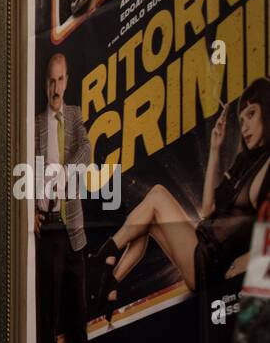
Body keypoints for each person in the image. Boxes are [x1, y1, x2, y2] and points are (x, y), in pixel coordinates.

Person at [94, 78, 270, 315]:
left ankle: (103, 257)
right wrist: (215, 149)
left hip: (209, 265)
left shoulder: (266, 167)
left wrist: (248, 259)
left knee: (157, 195)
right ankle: (110, 283)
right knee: (147, 221)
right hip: (202, 247)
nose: (245, 125)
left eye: (251, 113)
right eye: (241, 119)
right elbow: (208, 209)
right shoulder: (245, 162)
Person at [33, 52, 103, 343]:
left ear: (67, 80)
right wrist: (32, 208)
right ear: (44, 83)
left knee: (78, 326)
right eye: (50, 82)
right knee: (48, 325)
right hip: (49, 235)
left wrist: (63, 171)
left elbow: (87, 151)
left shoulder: (74, 117)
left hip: (74, 231)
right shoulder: (35, 123)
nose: (56, 89)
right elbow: (24, 168)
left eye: (61, 81)